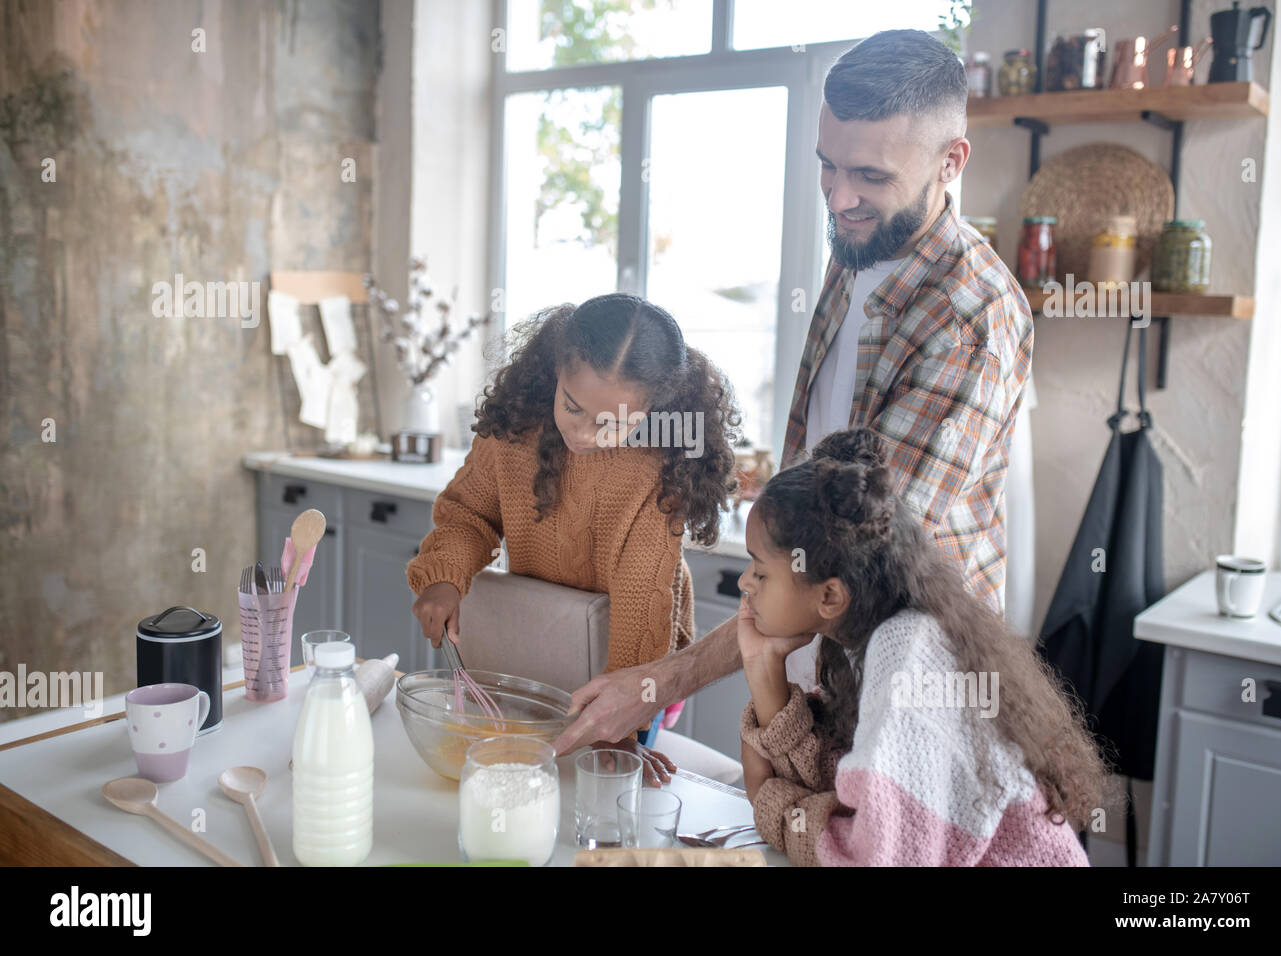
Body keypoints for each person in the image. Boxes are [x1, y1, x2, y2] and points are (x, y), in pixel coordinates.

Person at [554, 28, 1033, 758]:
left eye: (870, 176)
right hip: (830, 667)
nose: (840, 198)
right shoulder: (858, 251)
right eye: (827, 166)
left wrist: (661, 680)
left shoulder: (971, 321)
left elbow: (842, 555)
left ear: (951, 162)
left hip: (916, 698)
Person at [408, 292, 742, 784]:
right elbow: (469, 513)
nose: (585, 434)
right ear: (556, 370)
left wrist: (621, 730)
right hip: (546, 641)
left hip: (635, 657)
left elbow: (641, 601)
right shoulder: (512, 428)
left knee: (594, 779)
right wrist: (444, 577)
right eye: (573, 407)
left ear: (654, 407)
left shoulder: (658, 467)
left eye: (612, 423)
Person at [737, 427, 1108, 865]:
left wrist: (770, 801)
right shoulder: (870, 638)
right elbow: (839, 785)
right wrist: (763, 670)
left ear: (830, 596)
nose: (745, 582)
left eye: (760, 570)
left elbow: (879, 859)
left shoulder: (908, 655)